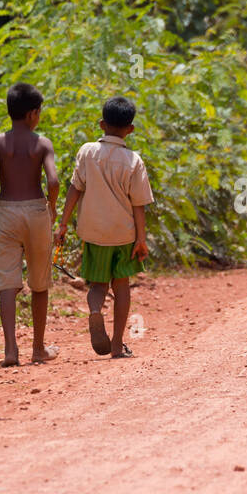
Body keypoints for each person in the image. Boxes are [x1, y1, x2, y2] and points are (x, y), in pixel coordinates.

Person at [55, 96, 153, 358]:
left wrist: (63, 224)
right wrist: (141, 239)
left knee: (98, 285)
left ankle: (95, 310)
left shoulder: (87, 152)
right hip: (123, 234)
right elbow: (139, 205)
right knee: (121, 286)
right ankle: (117, 344)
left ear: (101, 124)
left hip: (94, 231)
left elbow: (75, 188)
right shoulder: (134, 161)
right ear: (130, 129)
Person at [0, 83, 59, 366]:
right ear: (32, 114)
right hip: (37, 212)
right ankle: (38, 349)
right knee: (39, 284)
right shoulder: (42, 143)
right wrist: (51, 206)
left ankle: (10, 350)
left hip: (7, 212)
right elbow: (53, 181)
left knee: (7, 283)